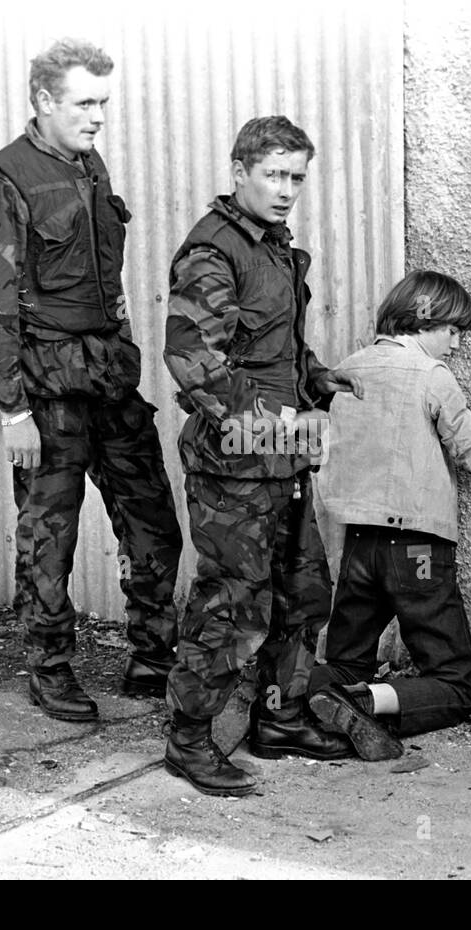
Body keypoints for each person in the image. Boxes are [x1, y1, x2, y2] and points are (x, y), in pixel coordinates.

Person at [0, 38, 183, 721]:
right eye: (85, 103)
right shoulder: (2, 180)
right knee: (48, 541)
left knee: (153, 524)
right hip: (47, 391)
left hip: (108, 380)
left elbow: (106, 283)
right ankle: (50, 668)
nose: (98, 117)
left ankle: (151, 658)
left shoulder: (91, 167)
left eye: (104, 103)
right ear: (44, 101)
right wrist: (11, 411)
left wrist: (124, 350)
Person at [161, 116, 364, 796]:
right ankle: (188, 739)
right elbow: (195, 363)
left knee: (304, 594)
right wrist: (287, 417)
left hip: (283, 460)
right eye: (273, 175)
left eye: (296, 178)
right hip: (235, 465)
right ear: (239, 172)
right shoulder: (211, 252)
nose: (285, 191)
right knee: (233, 606)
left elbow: (272, 346)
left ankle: (278, 721)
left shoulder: (271, 249)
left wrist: (317, 377)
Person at [306, 270, 471, 759]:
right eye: (453, 331)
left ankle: (293, 697)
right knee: (455, 686)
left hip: (358, 545)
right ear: (424, 319)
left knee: (345, 660)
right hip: (417, 548)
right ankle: (364, 702)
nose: (457, 345)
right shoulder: (431, 376)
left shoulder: (349, 369)